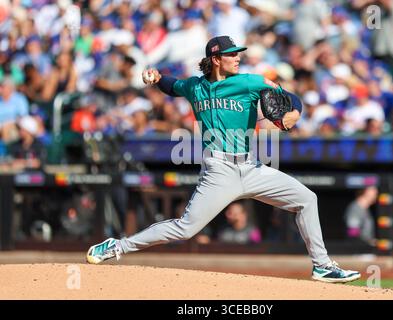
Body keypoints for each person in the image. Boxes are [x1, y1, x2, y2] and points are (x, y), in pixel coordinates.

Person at [86, 36, 361, 283]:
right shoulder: (195, 87)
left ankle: (322, 266)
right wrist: (157, 78)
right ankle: (117, 246)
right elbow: (173, 86)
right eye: (231, 54)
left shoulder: (249, 81)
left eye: (237, 53)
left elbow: (289, 97)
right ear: (216, 60)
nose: (237, 57)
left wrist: (295, 113)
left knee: (307, 199)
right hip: (219, 170)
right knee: (185, 229)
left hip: (251, 166)